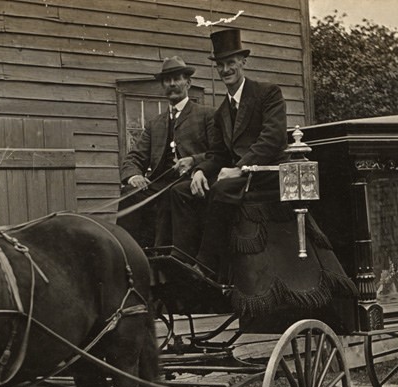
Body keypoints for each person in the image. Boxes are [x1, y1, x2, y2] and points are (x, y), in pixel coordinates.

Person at [171, 28, 289, 277]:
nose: (225, 70)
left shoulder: (268, 94)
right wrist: (201, 170)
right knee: (181, 191)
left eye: (231, 63)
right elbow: (219, 154)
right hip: (239, 176)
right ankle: (180, 262)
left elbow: (272, 140)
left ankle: (207, 265)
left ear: (243, 62)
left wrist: (240, 167)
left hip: (268, 174)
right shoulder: (222, 111)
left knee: (221, 188)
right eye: (220, 65)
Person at [118, 57, 217, 250]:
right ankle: (129, 256)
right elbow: (134, 157)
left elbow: (218, 153)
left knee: (172, 194)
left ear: (188, 82)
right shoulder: (155, 124)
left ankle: (170, 257)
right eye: (167, 80)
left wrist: (194, 161)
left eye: (177, 79)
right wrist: (134, 175)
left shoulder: (207, 115)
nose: (172, 84)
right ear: (163, 85)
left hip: (192, 181)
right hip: (160, 183)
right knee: (130, 193)